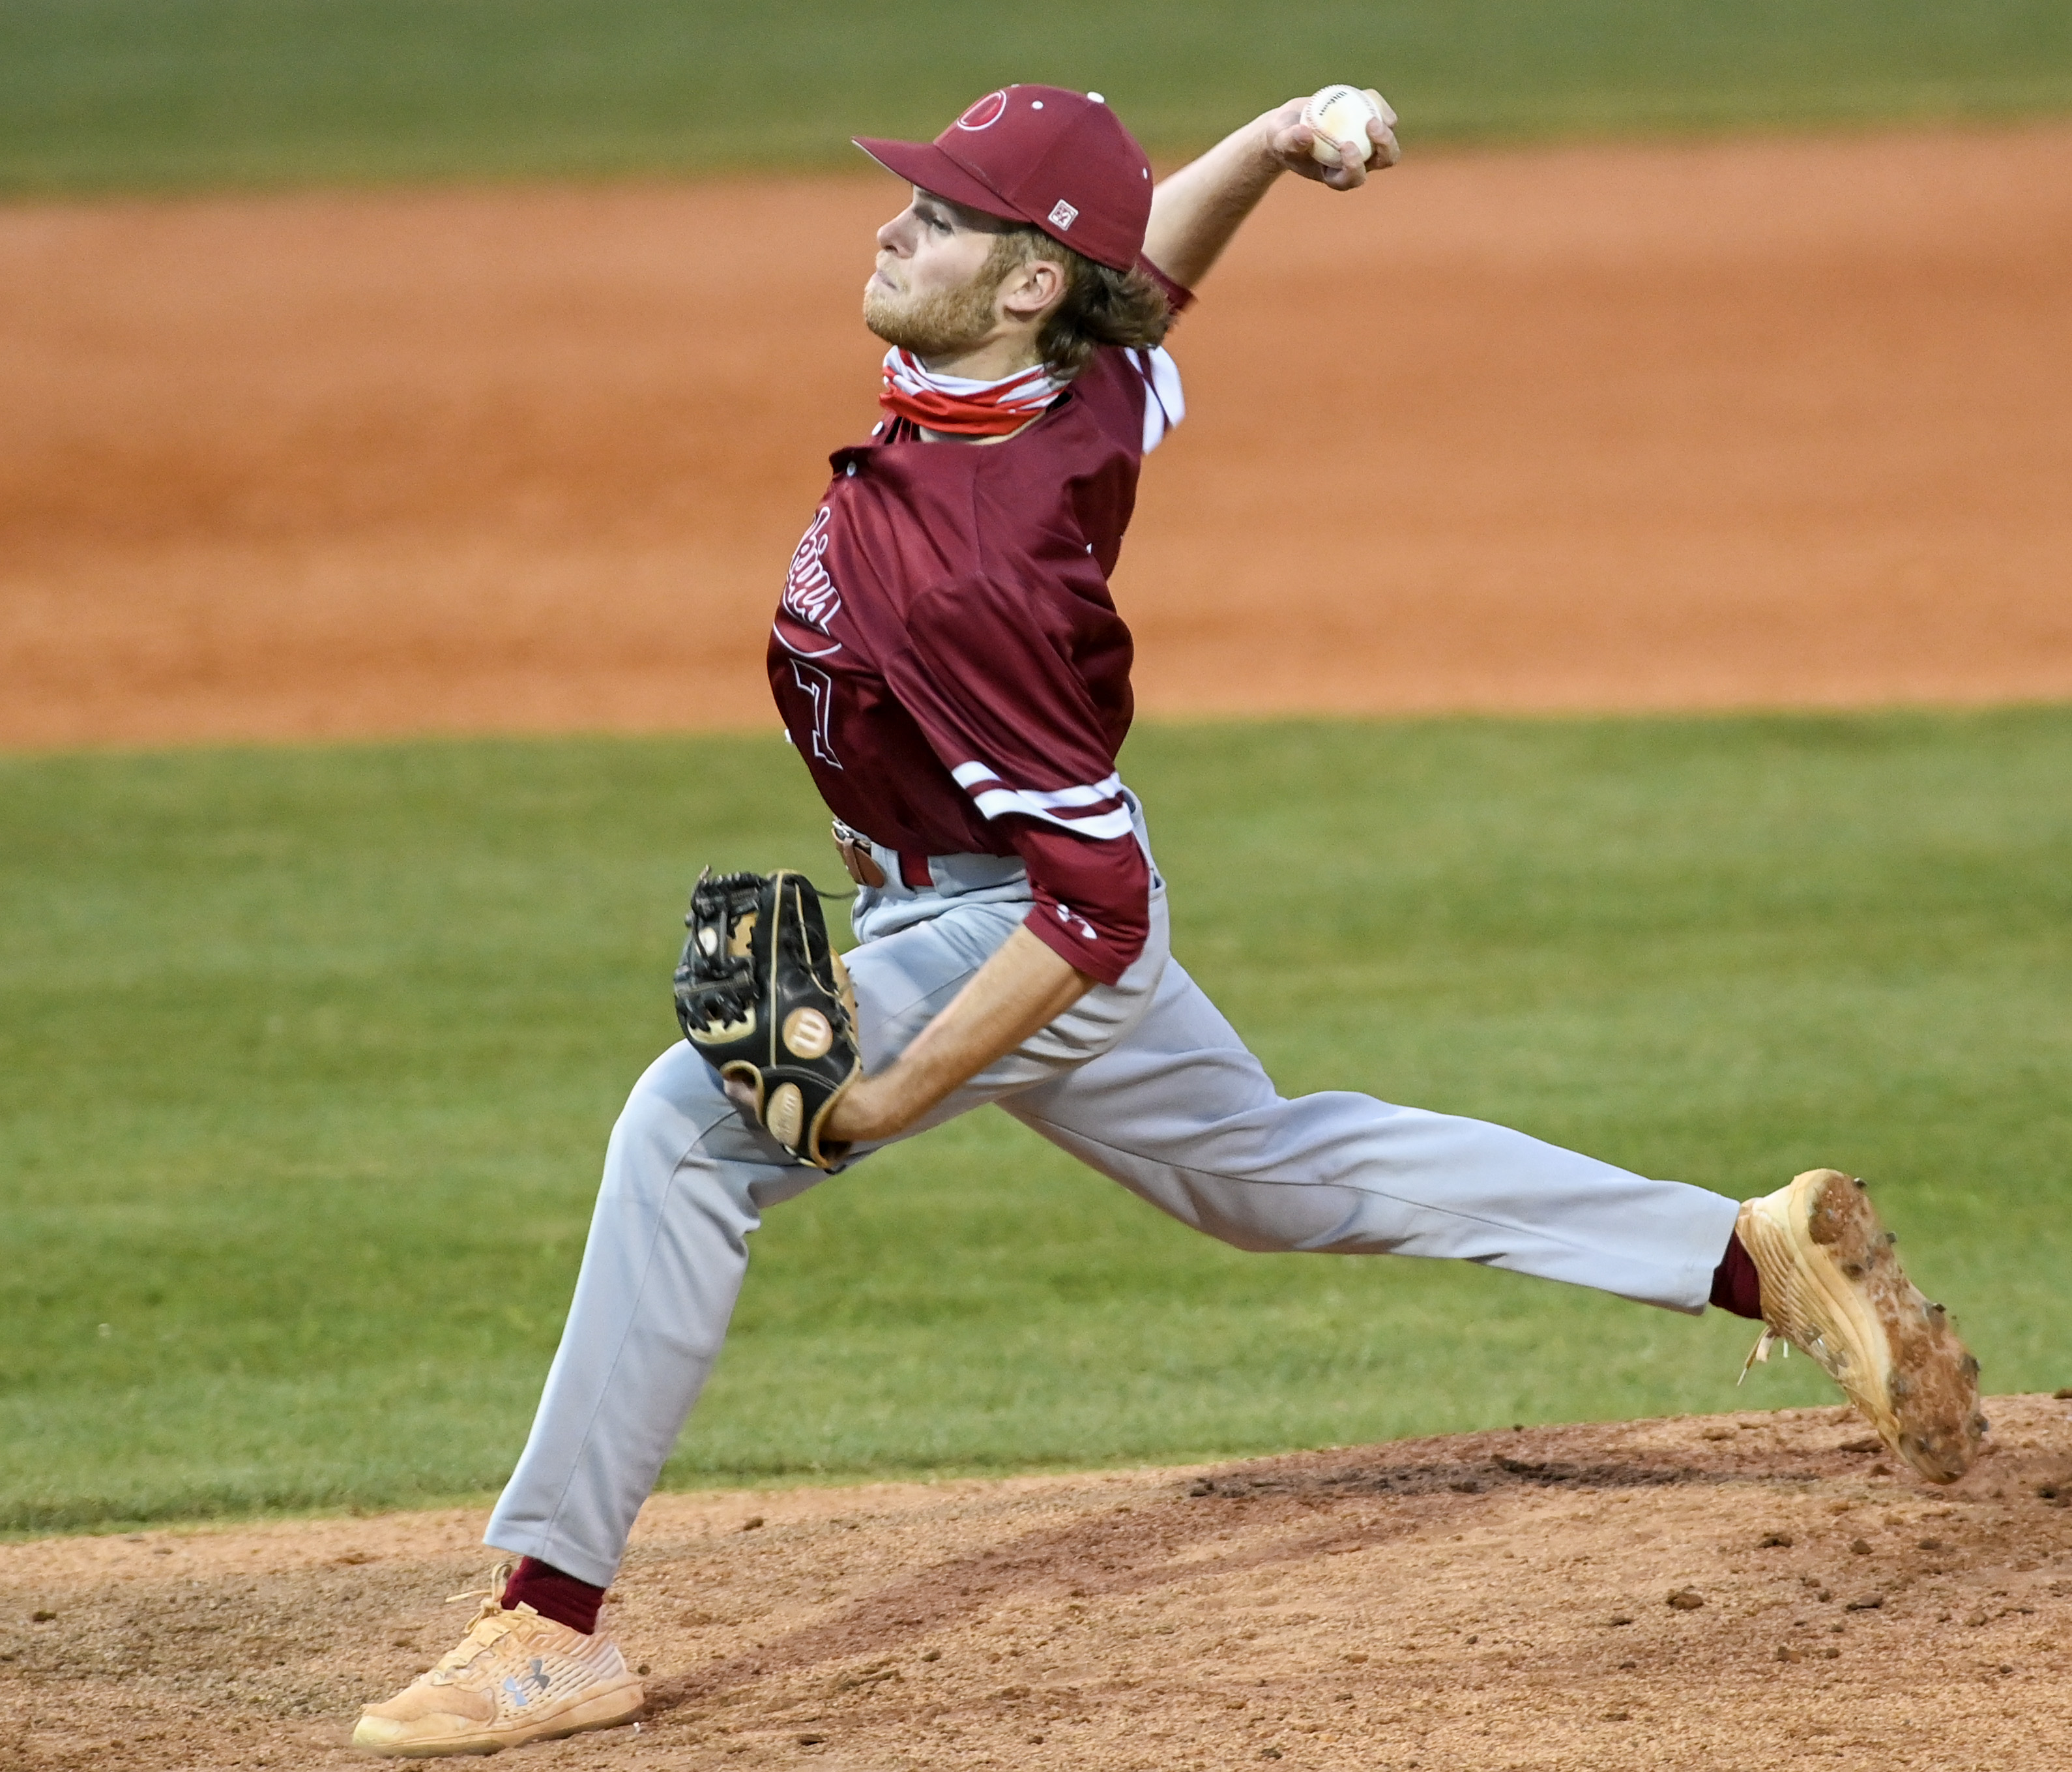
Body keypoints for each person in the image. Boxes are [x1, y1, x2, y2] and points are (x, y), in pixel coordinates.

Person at [352, 85, 1981, 1758]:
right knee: (1271, 1177)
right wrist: (1273, 144)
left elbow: (1096, 907)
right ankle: (1747, 1252)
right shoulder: (1050, 390)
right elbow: (1146, 281)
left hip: (1014, 931)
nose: (893, 226)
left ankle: (548, 1626)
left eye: (943, 215)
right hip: (990, 910)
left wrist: (876, 1105)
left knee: (684, 1138)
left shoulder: (971, 562)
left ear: (1023, 285)